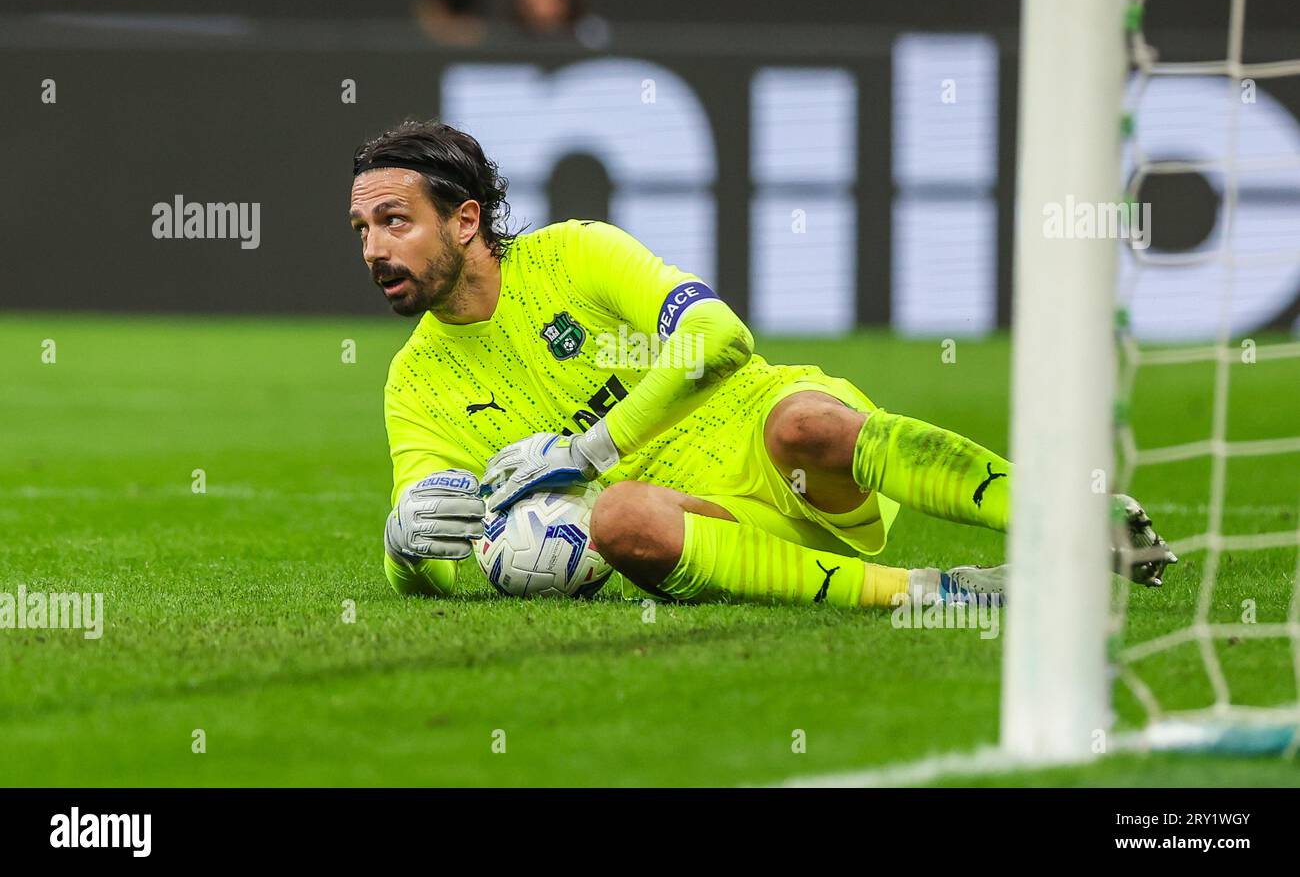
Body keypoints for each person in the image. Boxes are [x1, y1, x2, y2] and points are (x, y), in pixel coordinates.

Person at [348, 119, 1176, 609]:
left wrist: (586, 450)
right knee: (621, 523)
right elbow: (436, 527)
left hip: (775, 441)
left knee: (807, 420)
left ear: (464, 220)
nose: (374, 249)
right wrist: (400, 551)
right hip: (704, 520)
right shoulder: (415, 381)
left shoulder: (575, 256)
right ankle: (942, 593)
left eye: (393, 221)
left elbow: (719, 337)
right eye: (362, 231)